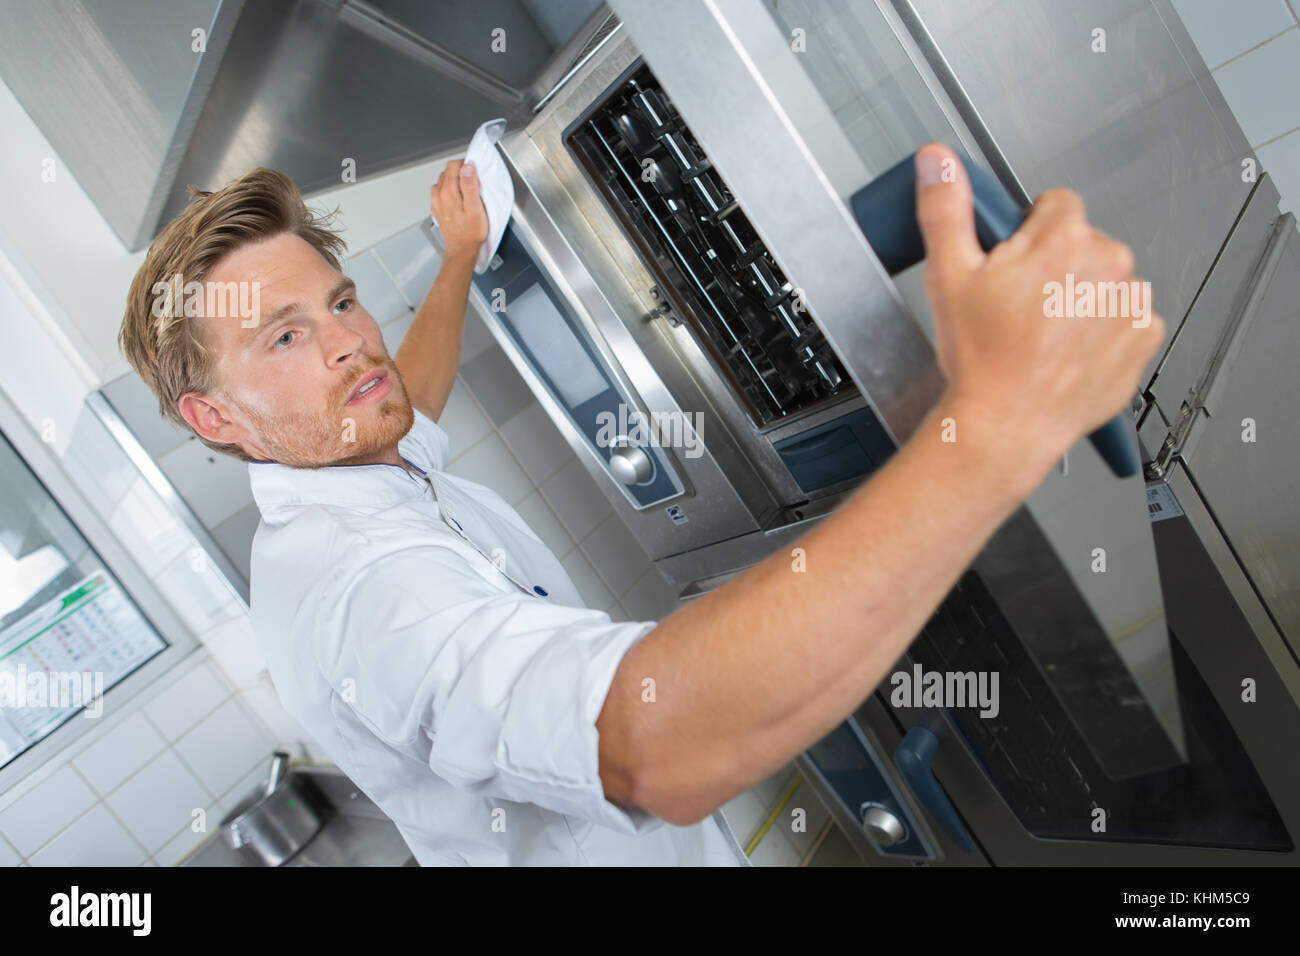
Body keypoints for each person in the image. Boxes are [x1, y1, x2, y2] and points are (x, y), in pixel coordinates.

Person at [117, 142, 1164, 865]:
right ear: (214, 419)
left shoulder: (344, 457)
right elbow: (648, 744)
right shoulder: (362, 594)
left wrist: (458, 258)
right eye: (285, 338)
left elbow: (409, 390)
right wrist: (998, 422)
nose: (349, 340)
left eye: (340, 301)